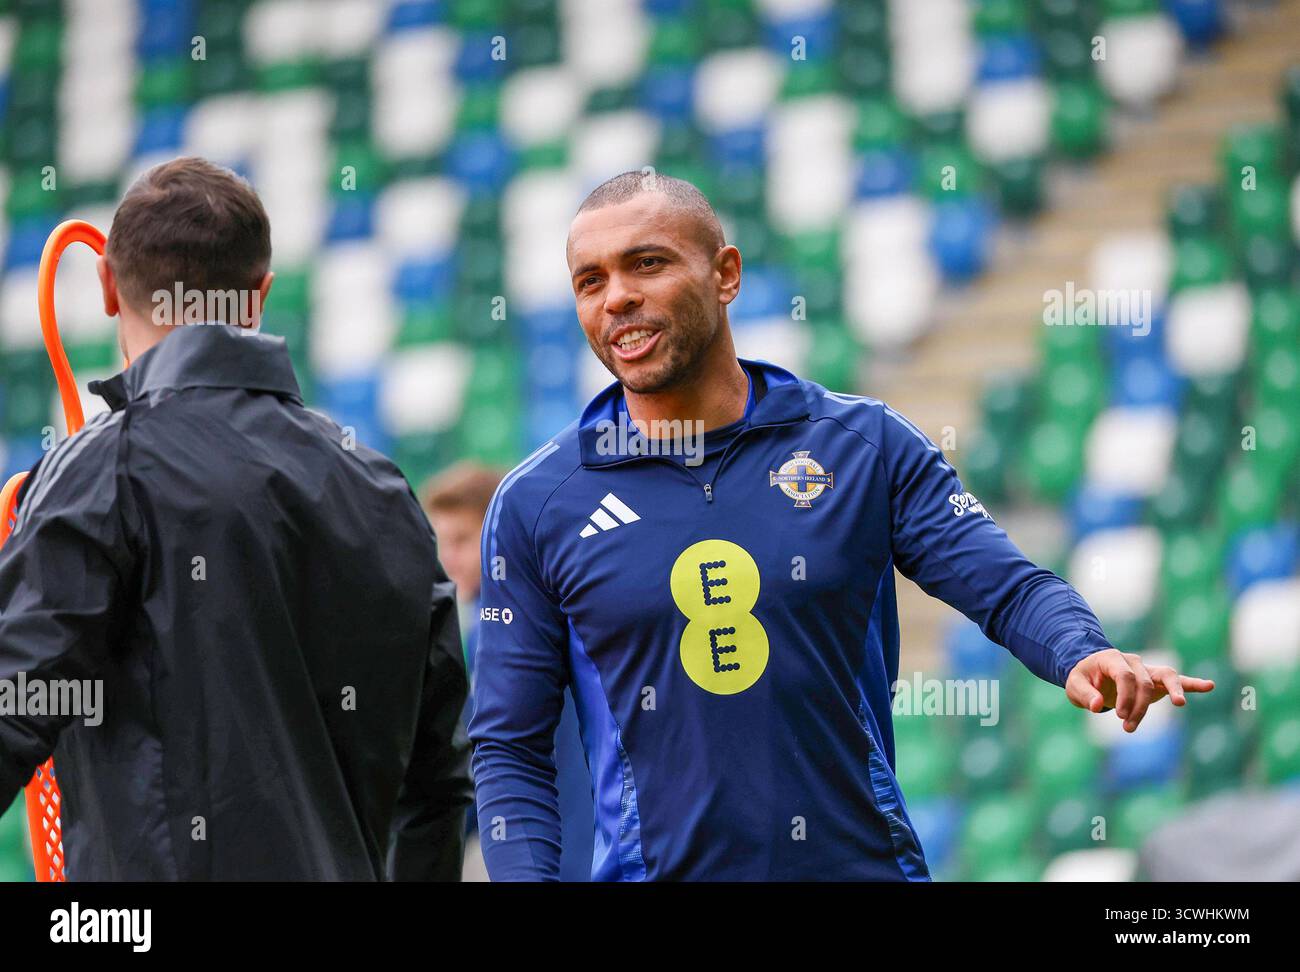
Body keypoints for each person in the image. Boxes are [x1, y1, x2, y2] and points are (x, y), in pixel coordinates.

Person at [468, 171, 1215, 881]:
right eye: (590, 281)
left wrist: (1081, 651)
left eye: (647, 264)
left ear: (726, 274)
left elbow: (1009, 589)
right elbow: (509, 748)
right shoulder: (539, 502)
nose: (618, 298)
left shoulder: (863, 447)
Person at [0, 156, 471, 880]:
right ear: (258, 297)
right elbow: (437, 782)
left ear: (103, 287)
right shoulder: (382, 490)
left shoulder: (104, 468)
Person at [422, 461, 594, 882]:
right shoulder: (562, 608)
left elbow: (479, 768)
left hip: (556, 851)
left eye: (461, 540)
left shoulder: (494, 628)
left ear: (500, 533)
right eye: (438, 543)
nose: (448, 559)